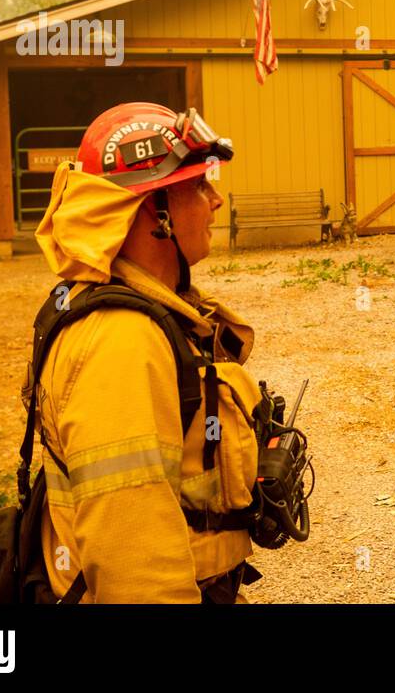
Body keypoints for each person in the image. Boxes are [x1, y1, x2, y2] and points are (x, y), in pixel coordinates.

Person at [30, 102, 270, 602]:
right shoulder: (121, 344)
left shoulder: (148, 309)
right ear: (153, 212)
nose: (216, 200)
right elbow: (133, 564)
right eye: (199, 186)